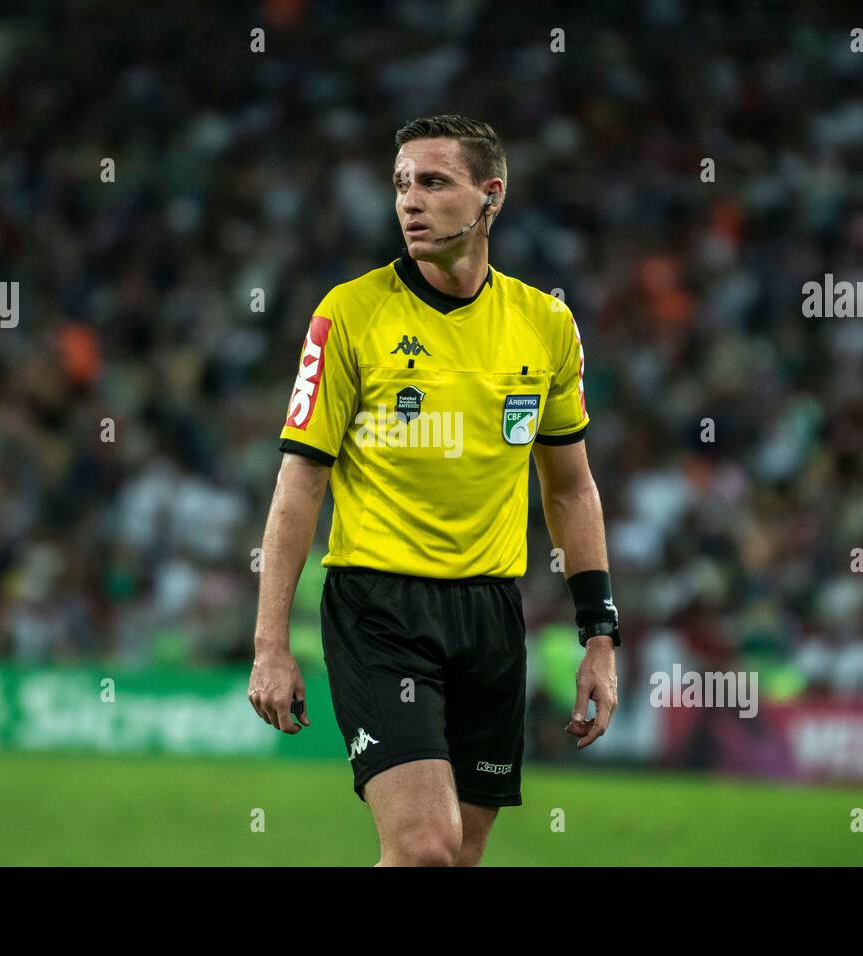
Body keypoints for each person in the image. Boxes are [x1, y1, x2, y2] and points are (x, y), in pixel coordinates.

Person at [249, 115, 619, 866]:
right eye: (401, 184)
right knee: (424, 850)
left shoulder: (546, 325)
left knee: (458, 858)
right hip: (379, 609)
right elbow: (299, 483)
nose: (409, 201)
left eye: (433, 182)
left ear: (491, 197)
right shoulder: (348, 314)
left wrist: (600, 635)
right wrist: (270, 643)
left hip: (489, 615)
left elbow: (572, 490)